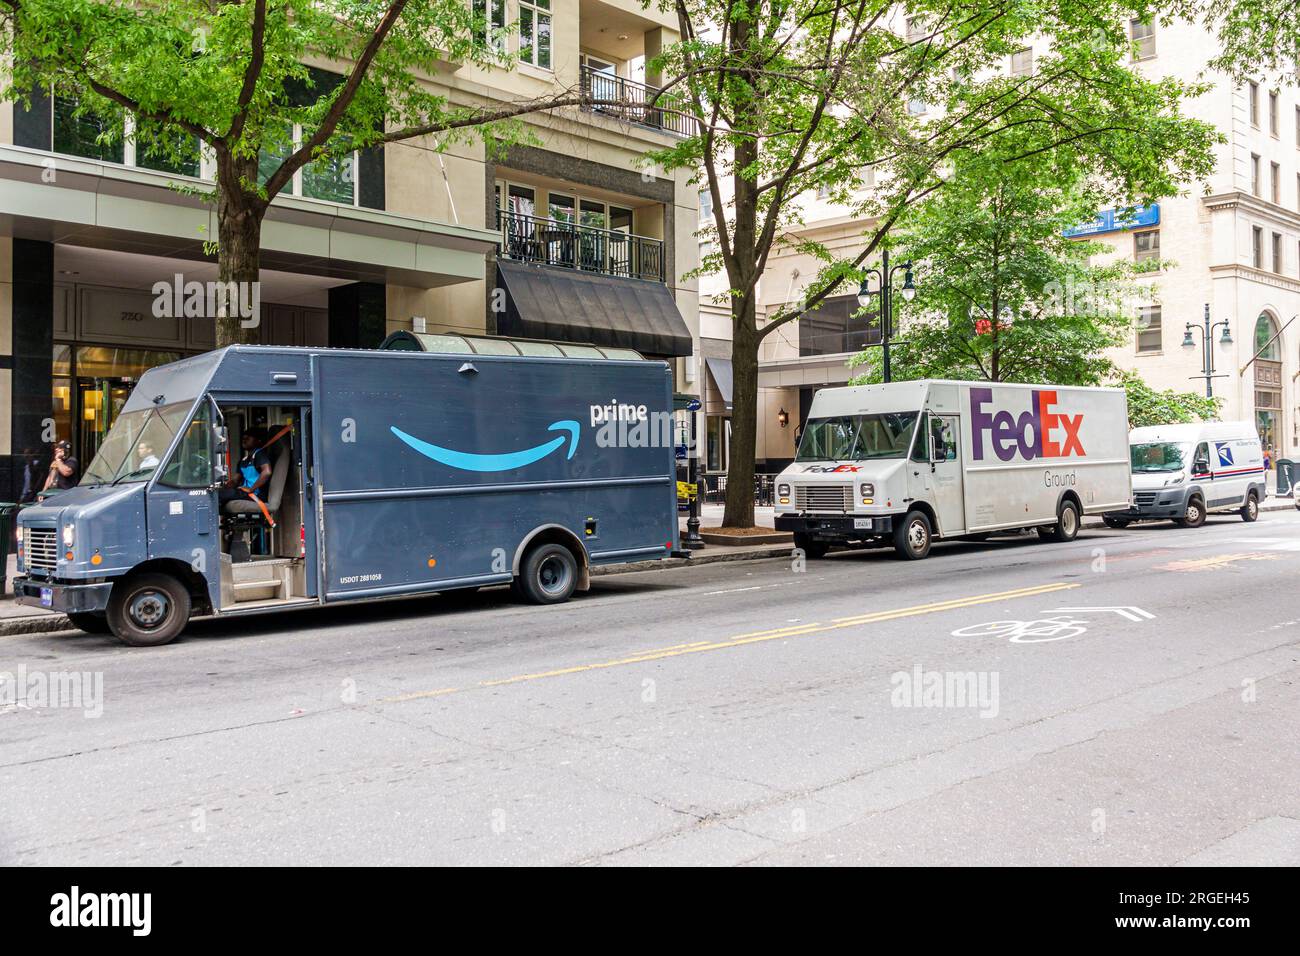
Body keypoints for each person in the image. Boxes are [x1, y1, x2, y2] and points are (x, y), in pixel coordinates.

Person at [218, 428, 272, 505]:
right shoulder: (243, 460)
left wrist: (251, 489)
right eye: (243, 438)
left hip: (255, 494)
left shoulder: (259, 454)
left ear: (258, 441)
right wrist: (224, 487)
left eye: (248, 438)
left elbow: (267, 472)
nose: (244, 440)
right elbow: (235, 480)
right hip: (244, 493)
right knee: (217, 494)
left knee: (219, 495)